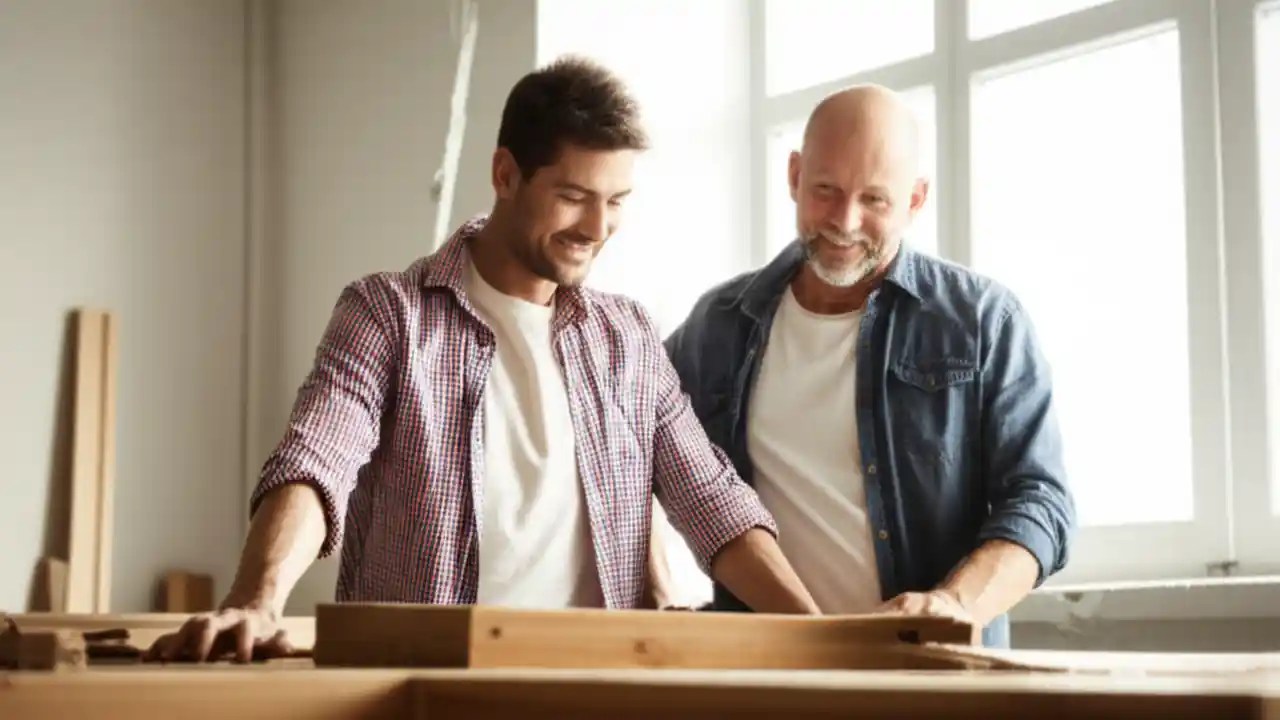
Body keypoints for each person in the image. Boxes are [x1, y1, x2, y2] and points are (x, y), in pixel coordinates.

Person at [149, 56, 817, 663]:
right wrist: (255, 599)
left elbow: (713, 503)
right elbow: (315, 459)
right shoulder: (389, 314)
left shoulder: (629, 337)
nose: (596, 228)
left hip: (596, 691)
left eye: (616, 202)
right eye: (574, 196)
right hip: (426, 689)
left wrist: (825, 636)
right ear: (505, 175)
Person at [661, 84, 1076, 647]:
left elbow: (1041, 503)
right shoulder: (716, 327)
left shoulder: (983, 321)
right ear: (793, 176)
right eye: (826, 190)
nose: (845, 221)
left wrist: (955, 604)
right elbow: (637, 459)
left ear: (916, 199)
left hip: (935, 678)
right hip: (767, 675)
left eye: (875, 199)